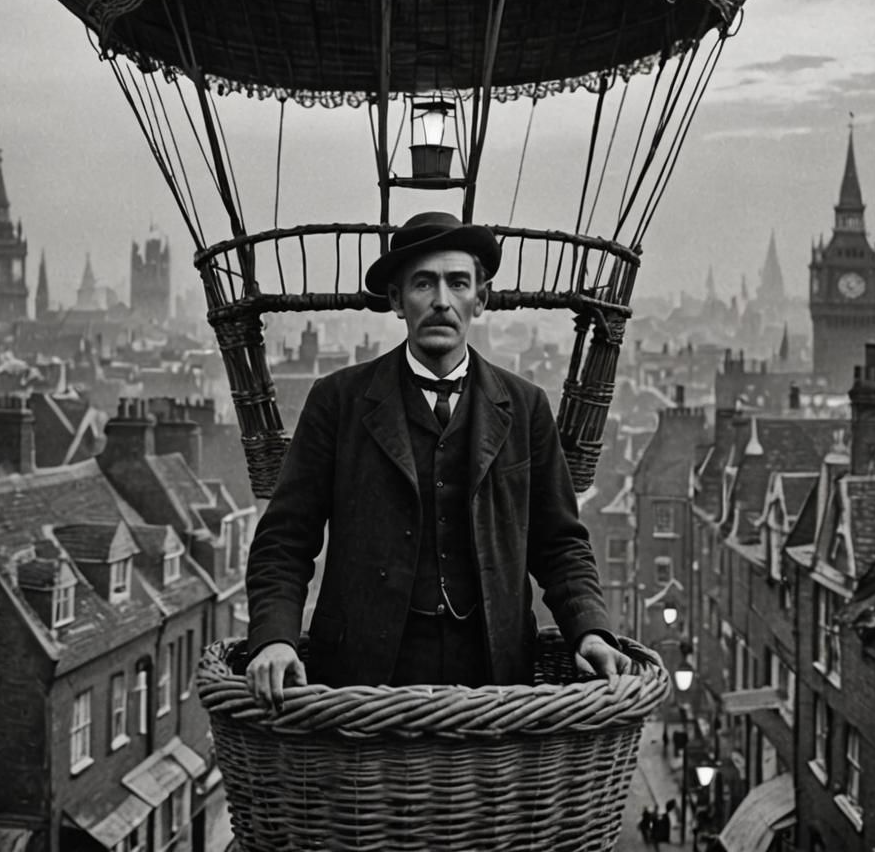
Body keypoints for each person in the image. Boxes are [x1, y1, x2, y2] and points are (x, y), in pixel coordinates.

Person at [244, 211, 631, 707]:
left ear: (481, 299)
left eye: (458, 283)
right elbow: (284, 539)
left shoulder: (527, 406)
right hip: (361, 682)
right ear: (396, 301)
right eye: (424, 284)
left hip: (495, 681)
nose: (442, 301)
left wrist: (590, 631)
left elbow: (560, 544)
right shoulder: (337, 402)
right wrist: (275, 638)